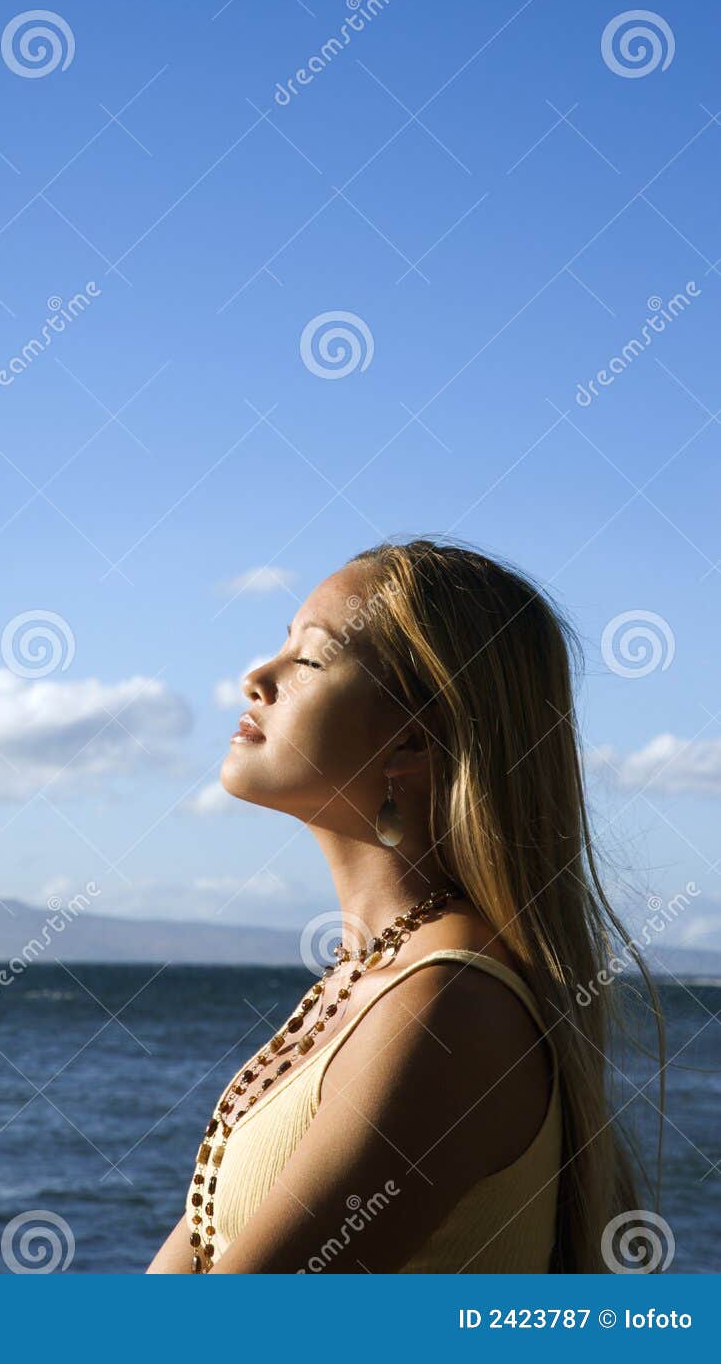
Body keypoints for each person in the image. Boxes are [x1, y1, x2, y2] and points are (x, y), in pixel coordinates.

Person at [147, 539, 659, 1273]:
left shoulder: (446, 1007)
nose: (256, 677)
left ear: (414, 739)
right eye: (279, 645)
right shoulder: (372, 977)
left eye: (310, 659)